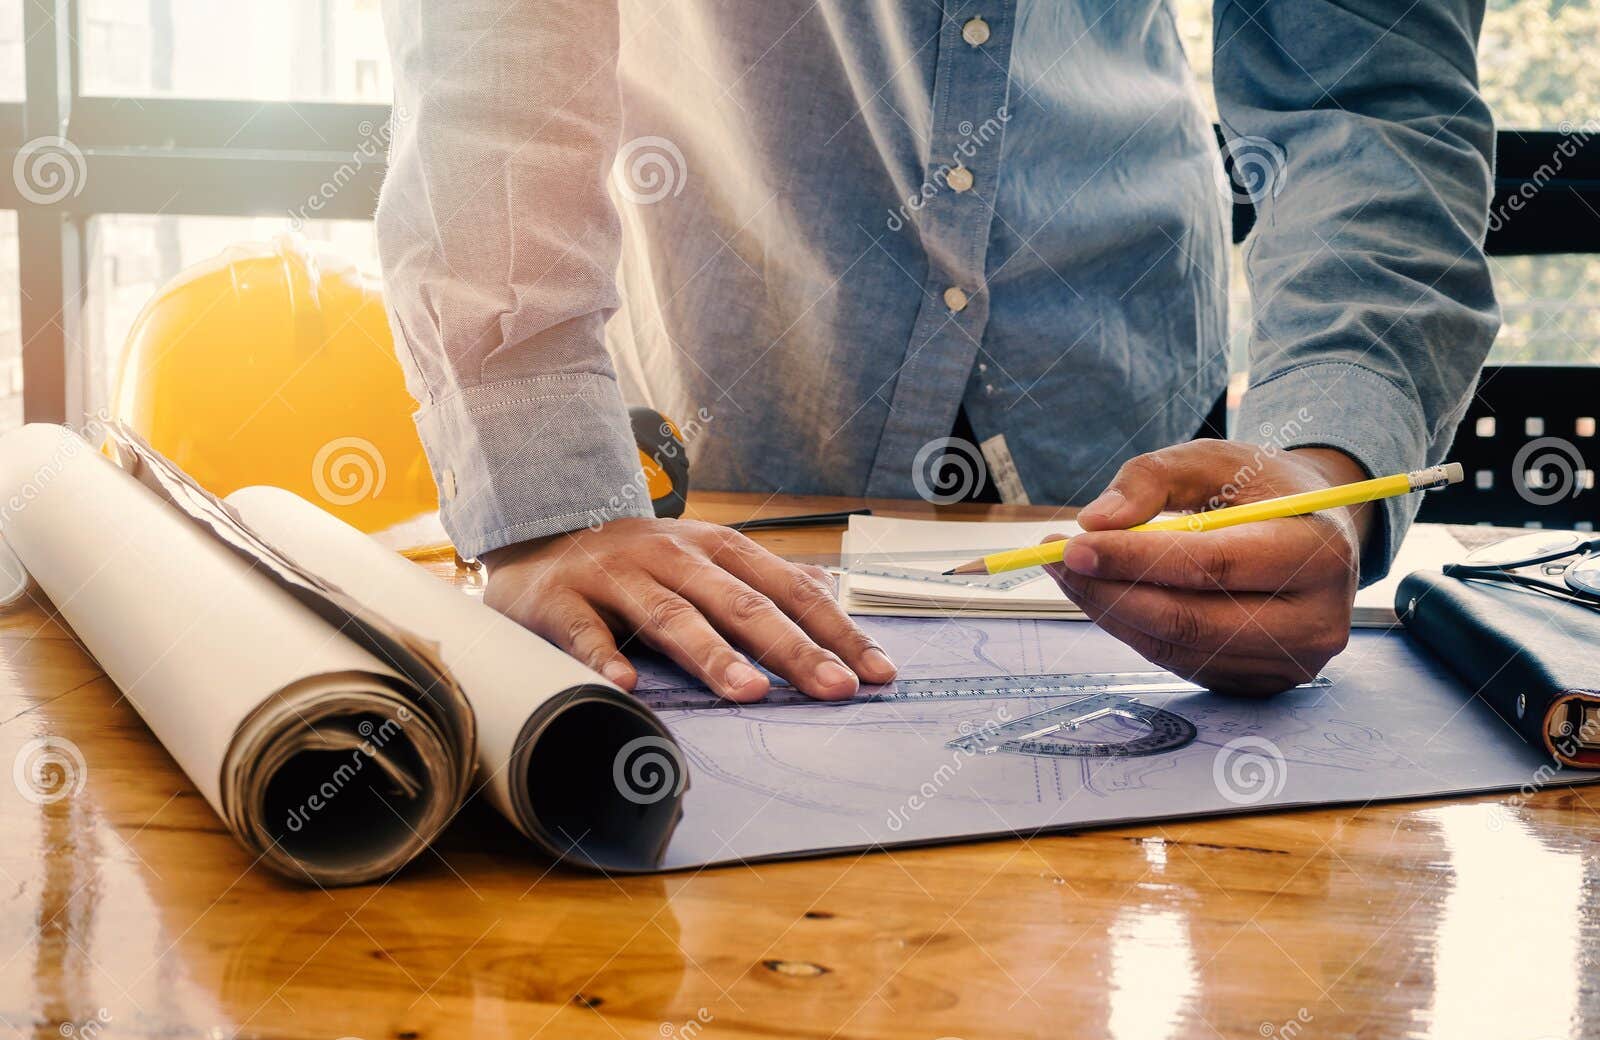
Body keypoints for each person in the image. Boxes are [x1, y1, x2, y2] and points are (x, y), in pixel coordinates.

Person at [375, 1, 1496, 701]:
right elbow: (492, 51)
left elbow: (1367, 100)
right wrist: (547, 500)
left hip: (1134, 407)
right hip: (719, 455)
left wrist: (1327, 471)